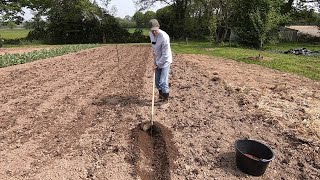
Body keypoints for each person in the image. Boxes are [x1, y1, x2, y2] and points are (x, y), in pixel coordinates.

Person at [149, 19, 173, 107]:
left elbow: (166, 55)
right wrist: (155, 60)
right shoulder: (150, 34)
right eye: (152, 30)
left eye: (155, 30)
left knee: (163, 81)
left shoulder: (164, 37)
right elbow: (154, 45)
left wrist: (157, 64)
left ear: (159, 27)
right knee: (157, 81)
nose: (154, 32)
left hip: (165, 61)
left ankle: (166, 100)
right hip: (158, 59)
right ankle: (161, 96)